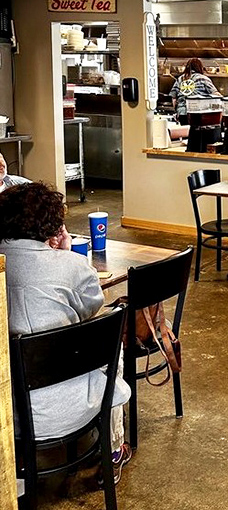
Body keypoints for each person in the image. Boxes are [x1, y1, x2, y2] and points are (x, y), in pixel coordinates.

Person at [0, 182, 132, 483]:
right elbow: (90, 311)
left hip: (9, 412)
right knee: (110, 340)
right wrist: (67, 255)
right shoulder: (72, 266)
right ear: (53, 225)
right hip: (72, 407)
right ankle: (113, 449)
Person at [170, 57, 221, 124]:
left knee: (184, 132)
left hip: (182, 113)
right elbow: (215, 94)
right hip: (197, 114)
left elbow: (174, 98)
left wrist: (177, 111)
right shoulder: (203, 78)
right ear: (200, 67)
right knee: (196, 133)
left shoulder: (180, 79)